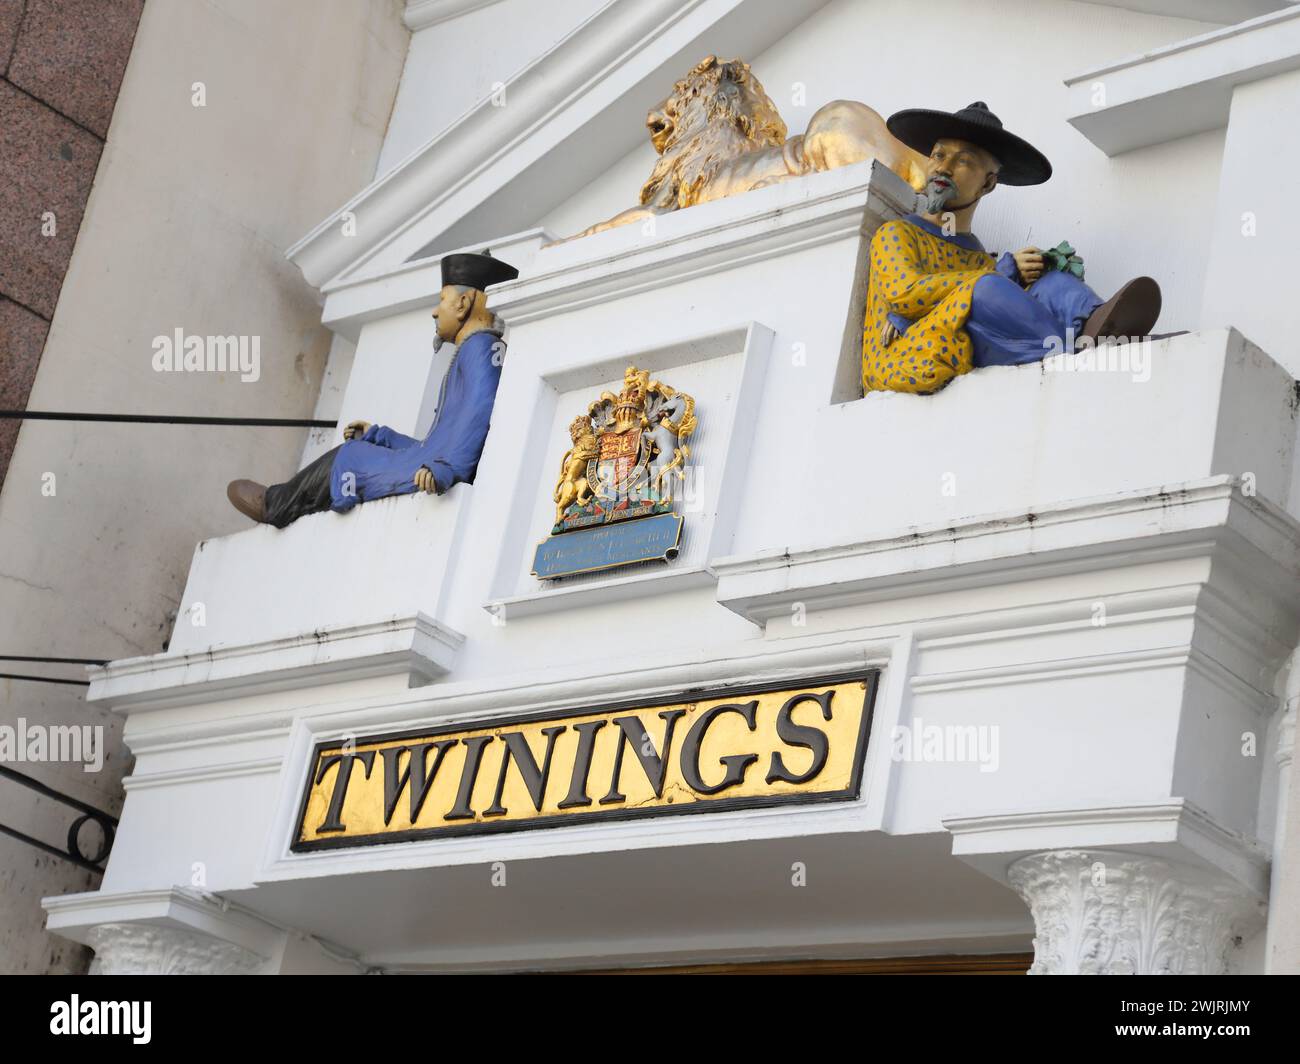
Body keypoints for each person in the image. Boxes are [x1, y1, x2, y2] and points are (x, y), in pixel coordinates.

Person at [862, 101, 1161, 394]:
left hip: (958, 333)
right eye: (938, 155)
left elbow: (983, 298)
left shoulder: (976, 258)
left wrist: (1024, 274)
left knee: (1051, 283)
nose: (945, 167)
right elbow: (905, 293)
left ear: (988, 183)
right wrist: (1000, 272)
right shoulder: (898, 233)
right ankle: (1069, 354)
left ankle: (1097, 326)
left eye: (963, 161)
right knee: (988, 287)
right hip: (907, 356)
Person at [226, 252, 518, 527]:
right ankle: (283, 500)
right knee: (360, 450)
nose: (434, 312)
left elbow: (480, 411)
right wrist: (380, 435)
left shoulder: (480, 348)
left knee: (351, 457)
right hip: (426, 463)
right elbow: (429, 447)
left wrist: (447, 468)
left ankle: (276, 505)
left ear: (464, 303)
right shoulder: (474, 350)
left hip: (433, 470)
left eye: (442, 300)